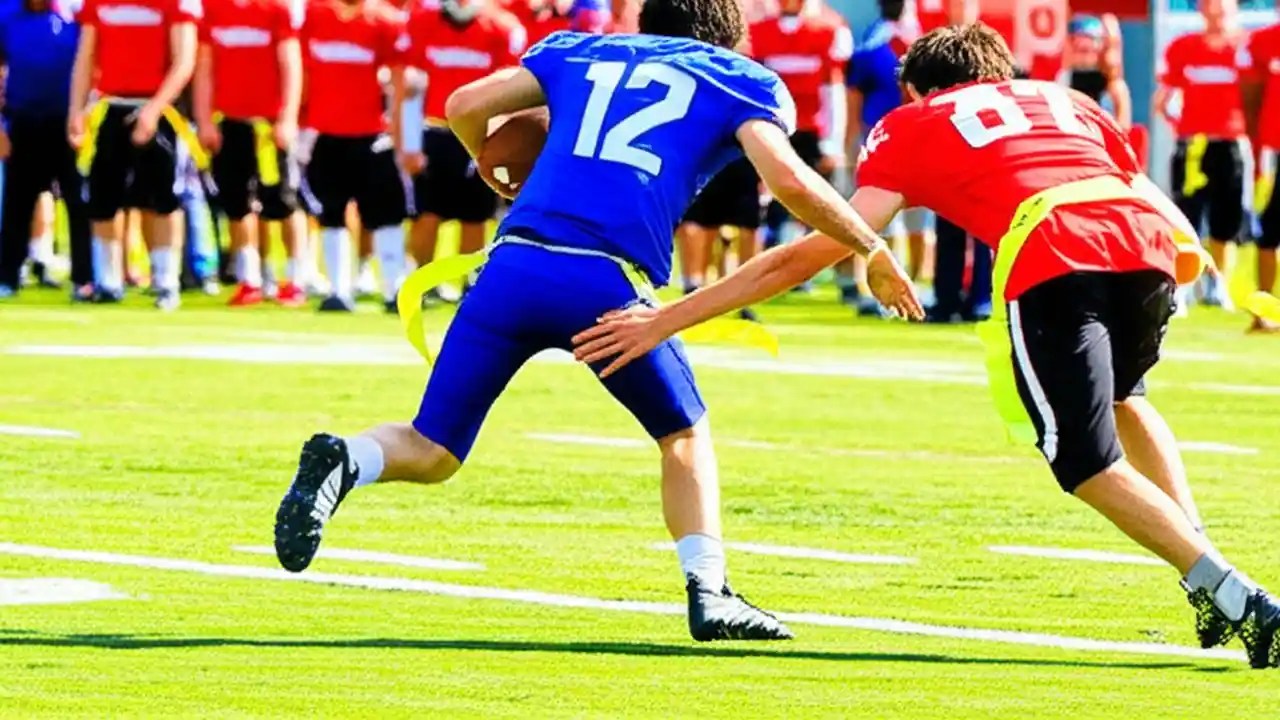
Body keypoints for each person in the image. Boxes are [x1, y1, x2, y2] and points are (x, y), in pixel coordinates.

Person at [573, 23, 1280, 669]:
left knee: (1085, 461)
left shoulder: (911, 123)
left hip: (1056, 248)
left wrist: (668, 318)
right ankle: (1207, 568)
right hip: (1148, 243)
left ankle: (1231, 591)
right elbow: (1140, 186)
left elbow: (810, 252)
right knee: (1128, 398)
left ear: (914, 89)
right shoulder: (1065, 98)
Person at [271, 2, 920, 641]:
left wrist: (499, 176)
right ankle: (710, 589)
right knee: (683, 434)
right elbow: (791, 182)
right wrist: (870, 246)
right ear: (730, 39)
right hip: (605, 284)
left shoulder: (580, 46)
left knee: (433, 448)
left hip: (512, 267)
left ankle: (349, 458)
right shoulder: (736, 75)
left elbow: (465, 105)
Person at [68, 0, 201, 309]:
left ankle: (166, 281)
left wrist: (153, 110)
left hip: (161, 109)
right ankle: (108, 280)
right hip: (110, 106)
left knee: (164, 198)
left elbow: (184, 60)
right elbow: (86, 56)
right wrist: (76, 110)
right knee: (103, 197)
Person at [398, 0, 525, 303]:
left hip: (480, 130)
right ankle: (422, 281)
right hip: (435, 130)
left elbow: (508, 89)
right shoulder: (422, 22)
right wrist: (409, 143)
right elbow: (411, 86)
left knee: (475, 213)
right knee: (428, 212)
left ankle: (470, 283)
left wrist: (498, 139)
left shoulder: (502, 27)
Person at [298, 0, 409, 313]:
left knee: (386, 214)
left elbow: (399, 82)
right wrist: (301, 122)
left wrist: (399, 134)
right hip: (325, 132)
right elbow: (304, 71)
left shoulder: (386, 21)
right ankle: (338, 289)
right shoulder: (315, 14)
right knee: (331, 213)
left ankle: (394, 288)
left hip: (373, 135)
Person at [195, 0, 308, 307]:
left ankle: (296, 279)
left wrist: (287, 118)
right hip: (230, 122)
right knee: (236, 202)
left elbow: (291, 66)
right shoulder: (214, 9)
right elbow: (205, 68)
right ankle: (251, 278)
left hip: (268, 127)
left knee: (283, 200)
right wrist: (204, 119)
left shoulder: (275, 10)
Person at [748, 0, 851, 296]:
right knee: (775, 207)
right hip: (774, 129)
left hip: (813, 132)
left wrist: (834, 141)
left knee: (827, 205)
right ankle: (779, 272)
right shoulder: (759, 30)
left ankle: (845, 279)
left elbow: (834, 88)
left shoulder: (830, 27)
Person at [1155, 0, 1247, 310]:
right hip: (1193, 145)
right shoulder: (1183, 48)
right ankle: (1181, 289)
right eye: (1212, 8)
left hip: (1231, 142)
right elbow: (1164, 97)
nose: (1218, 15)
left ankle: (1218, 286)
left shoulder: (1244, 49)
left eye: (1223, 8)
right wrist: (1179, 128)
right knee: (1186, 218)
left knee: (1226, 221)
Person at [0, 0, 93, 300]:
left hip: (67, 124)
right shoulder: (6, 13)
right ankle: (7, 277)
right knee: (16, 204)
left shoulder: (76, 13)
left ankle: (84, 279)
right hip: (23, 121)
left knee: (79, 203)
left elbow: (94, 63)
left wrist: (84, 117)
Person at [846, 0, 930, 316]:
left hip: (918, 137)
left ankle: (919, 284)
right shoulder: (873, 43)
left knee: (917, 218)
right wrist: (851, 139)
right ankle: (889, 292)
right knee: (882, 219)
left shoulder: (922, 41)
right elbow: (856, 92)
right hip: (879, 136)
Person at [1241, 14, 1280, 332]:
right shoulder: (1264, 41)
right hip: (1275, 148)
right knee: (1269, 231)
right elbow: (1251, 98)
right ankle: (1264, 311)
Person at [1061, 14, 1131, 129]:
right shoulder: (1065, 78)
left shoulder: (1115, 87)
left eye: (1090, 49)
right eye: (1081, 50)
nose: (1086, 54)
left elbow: (1124, 126)